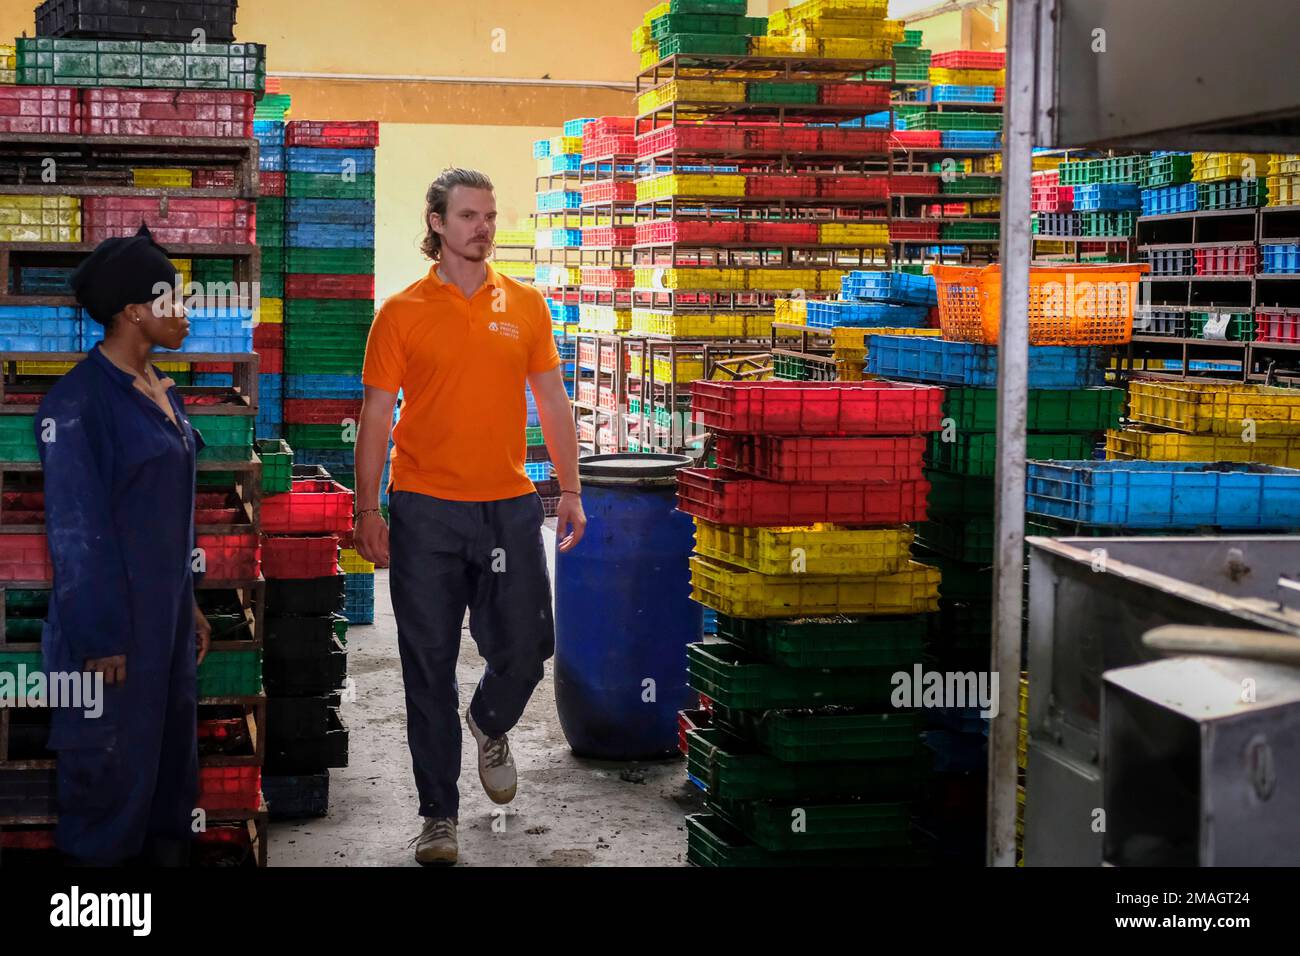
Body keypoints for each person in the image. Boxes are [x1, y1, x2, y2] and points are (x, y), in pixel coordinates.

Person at [353, 167, 585, 866]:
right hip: (424, 509)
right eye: (468, 216)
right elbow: (374, 417)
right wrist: (367, 507)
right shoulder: (400, 312)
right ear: (435, 223)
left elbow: (553, 400)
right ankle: (437, 816)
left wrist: (569, 489)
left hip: (508, 508)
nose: (483, 227)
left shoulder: (526, 305)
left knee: (525, 649)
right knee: (426, 664)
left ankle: (488, 720)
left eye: (489, 215)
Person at [37, 223, 212, 866]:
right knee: (111, 787)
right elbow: (76, 531)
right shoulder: (78, 405)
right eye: (172, 300)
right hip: (108, 634)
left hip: (162, 624)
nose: (187, 312)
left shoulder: (164, 393)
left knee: (169, 779)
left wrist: (187, 602)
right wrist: (101, 636)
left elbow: (167, 515)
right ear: (134, 312)